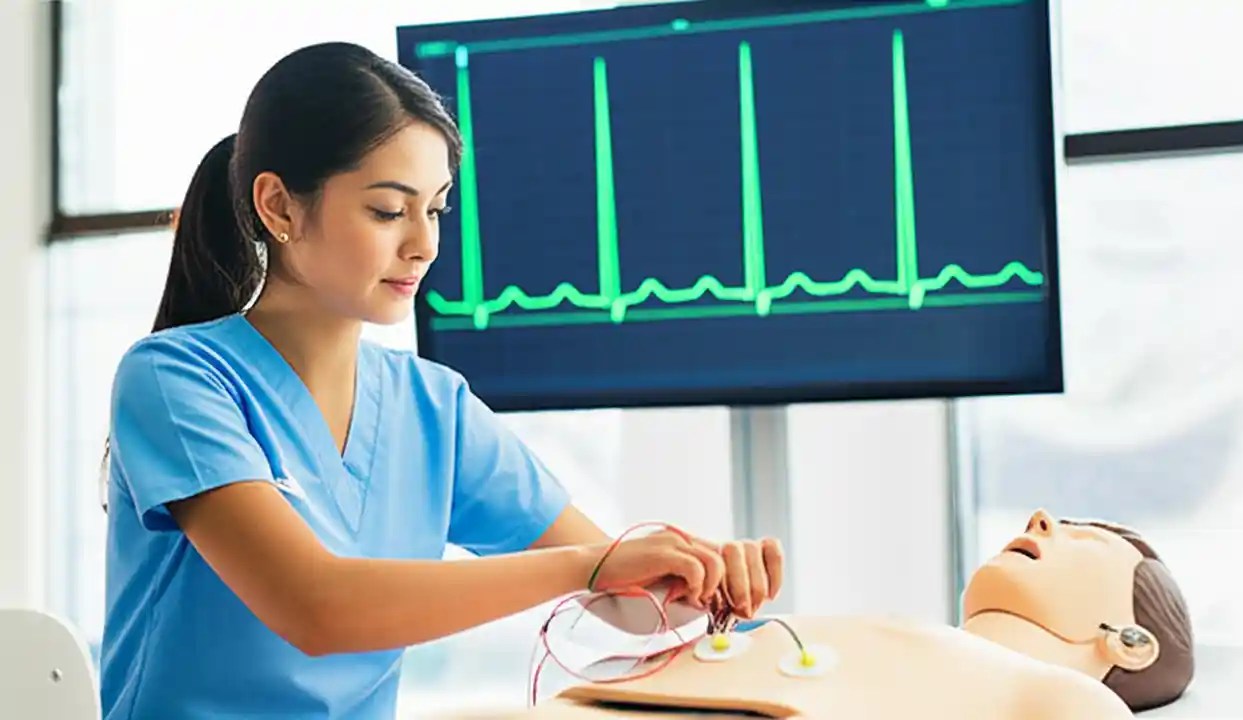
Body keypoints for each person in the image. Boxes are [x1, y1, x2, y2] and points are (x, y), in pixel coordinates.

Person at [99, 41, 784, 720]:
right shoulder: (175, 380)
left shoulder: (433, 408)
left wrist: (697, 578)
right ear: (279, 208)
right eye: (388, 211)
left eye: (436, 209)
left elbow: (620, 600)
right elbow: (316, 608)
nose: (424, 243)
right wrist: (591, 566)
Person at [504, 509, 1193, 719]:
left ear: (1130, 644)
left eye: (1085, 538)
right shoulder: (887, 637)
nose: (1042, 519)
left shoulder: (1065, 701)